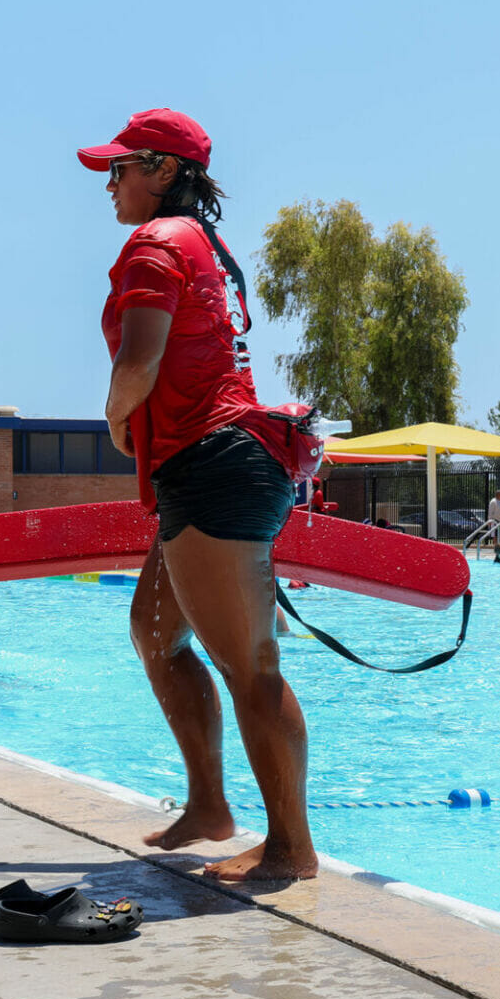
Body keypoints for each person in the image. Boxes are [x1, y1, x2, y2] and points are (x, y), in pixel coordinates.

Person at [79, 108, 316, 881]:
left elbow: (140, 362)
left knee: (251, 664)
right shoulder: (207, 245)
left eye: (123, 168)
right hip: (220, 460)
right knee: (154, 630)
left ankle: (289, 849)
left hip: (214, 464)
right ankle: (210, 804)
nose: (110, 183)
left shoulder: (156, 242)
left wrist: (116, 421)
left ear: (166, 172)